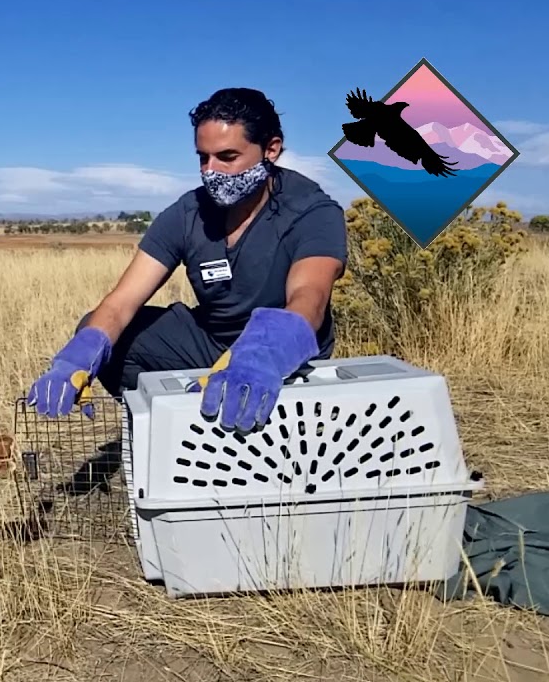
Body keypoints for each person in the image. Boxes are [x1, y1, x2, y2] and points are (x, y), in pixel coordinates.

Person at [26, 87, 347, 434]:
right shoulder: (187, 213)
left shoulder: (312, 211)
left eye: (227, 156)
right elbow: (120, 304)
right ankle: (170, 430)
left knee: (266, 380)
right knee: (103, 331)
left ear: (271, 149)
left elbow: (308, 300)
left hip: (280, 354)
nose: (211, 171)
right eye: (202, 158)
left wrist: (259, 355)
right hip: (210, 342)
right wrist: (78, 355)